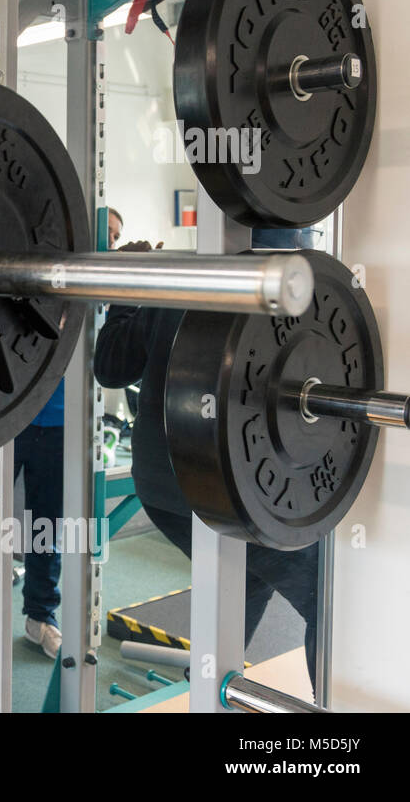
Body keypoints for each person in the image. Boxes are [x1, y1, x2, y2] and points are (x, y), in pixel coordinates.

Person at [93, 226, 319, 690]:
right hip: (221, 493)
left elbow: (111, 366)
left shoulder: (186, 273)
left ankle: (205, 685)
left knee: (246, 580)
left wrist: (133, 282)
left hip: (169, 488)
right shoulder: (286, 303)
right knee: (327, 599)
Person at [16, 207, 128, 659]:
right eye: (106, 234)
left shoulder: (109, 293)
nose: (111, 243)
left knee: (47, 527)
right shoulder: (54, 277)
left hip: (63, 426)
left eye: (117, 238)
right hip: (15, 420)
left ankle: (39, 617)